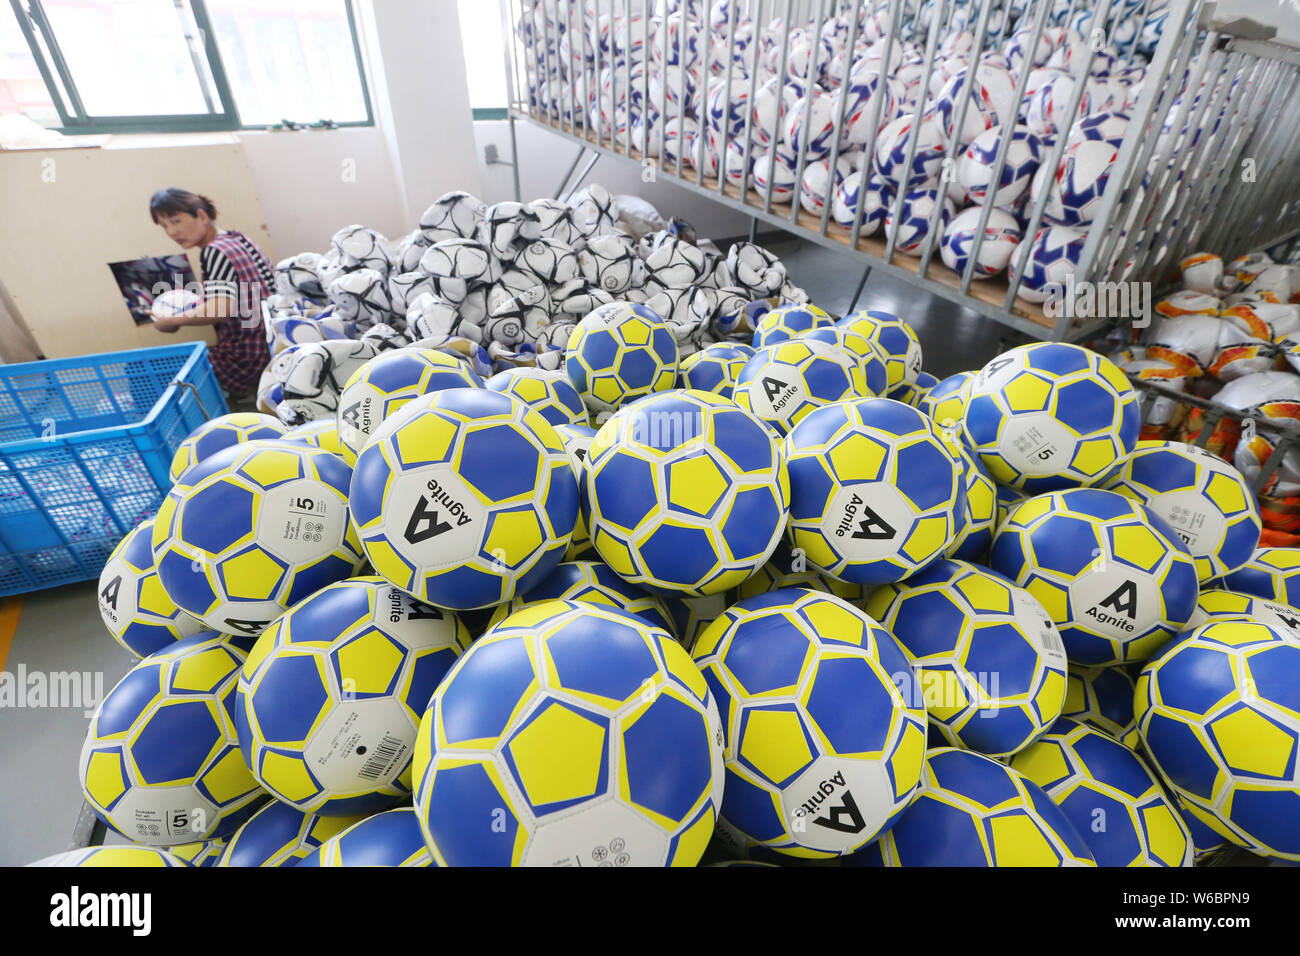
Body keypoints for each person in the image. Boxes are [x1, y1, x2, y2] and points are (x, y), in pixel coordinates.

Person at [148, 188, 272, 401]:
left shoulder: (213, 251)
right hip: (270, 344)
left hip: (246, 356)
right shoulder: (239, 239)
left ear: (202, 216)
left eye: (176, 221)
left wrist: (170, 321)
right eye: (164, 226)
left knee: (152, 370)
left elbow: (220, 309)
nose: (171, 232)